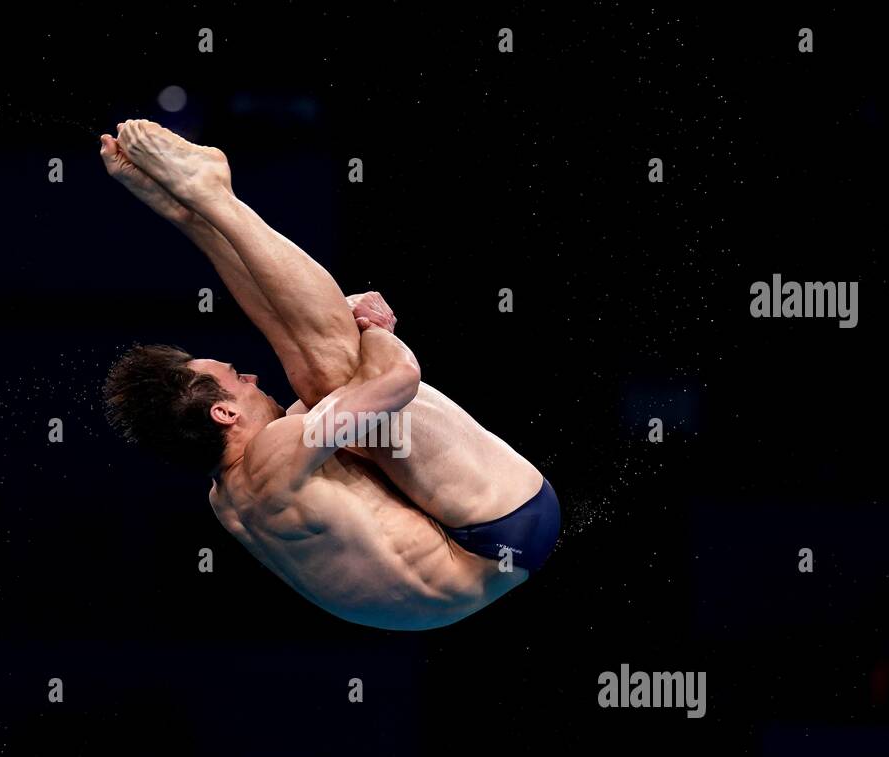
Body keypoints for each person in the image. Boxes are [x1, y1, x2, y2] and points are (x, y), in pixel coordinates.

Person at [101, 120, 560, 630]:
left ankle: (195, 211)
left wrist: (338, 321)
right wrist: (375, 327)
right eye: (236, 379)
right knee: (334, 370)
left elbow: (303, 347)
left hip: (478, 567)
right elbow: (399, 379)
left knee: (321, 370)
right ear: (223, 411)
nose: (251, 377)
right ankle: (214, 202)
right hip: (500, 527)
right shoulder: (273, 459)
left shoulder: (227, 497)